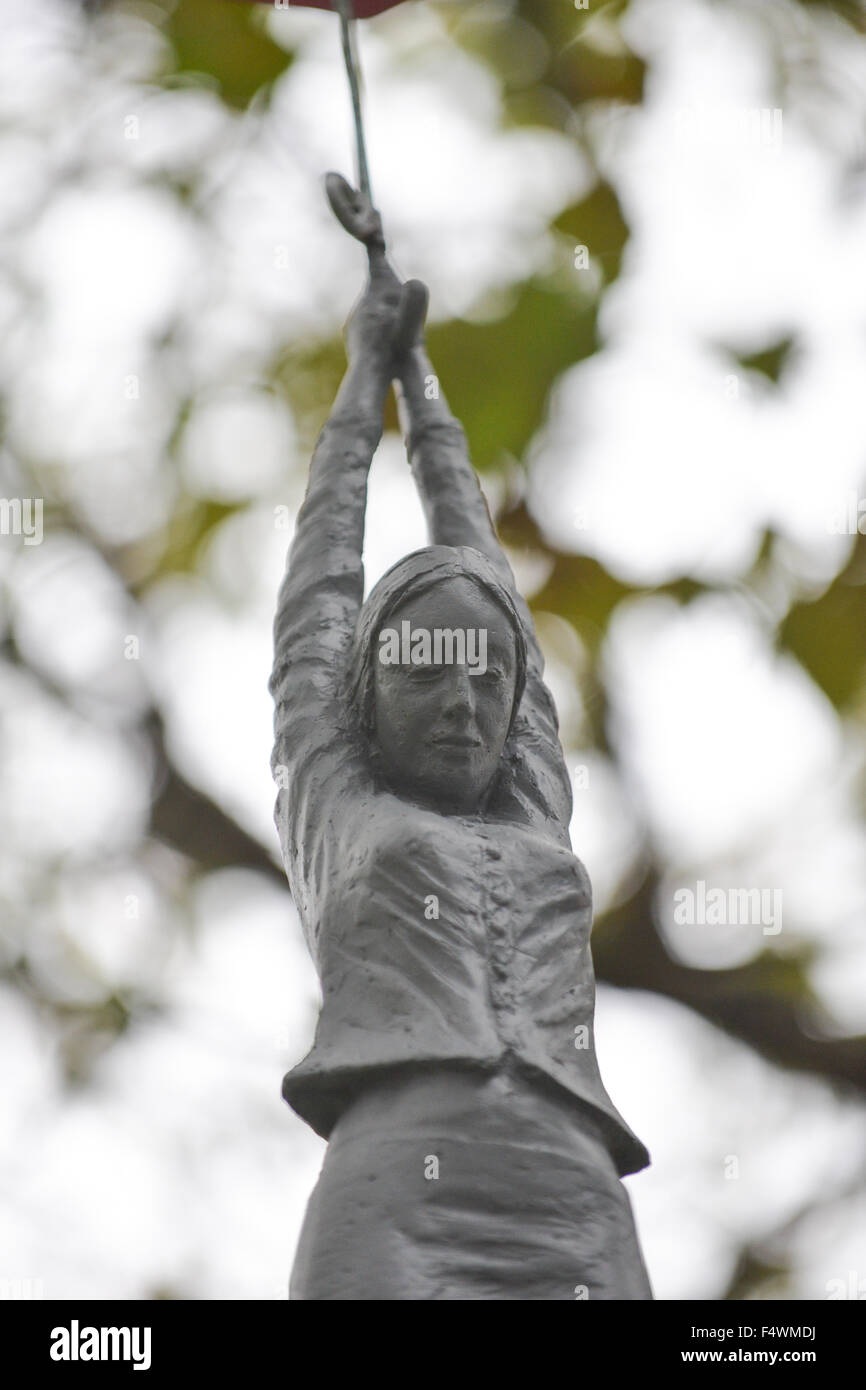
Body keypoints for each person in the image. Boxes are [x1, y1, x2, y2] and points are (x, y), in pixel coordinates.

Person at [269, 175, 652, 1300]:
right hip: (398, 1187)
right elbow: (317, 587)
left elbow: (482, 566)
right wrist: (362, 385)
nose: (465, 702)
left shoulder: (530, 804)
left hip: (574, 1187)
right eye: (424, 670)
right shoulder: (340, 805)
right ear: (360, 696)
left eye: (489, 680)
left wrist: (423, 387)